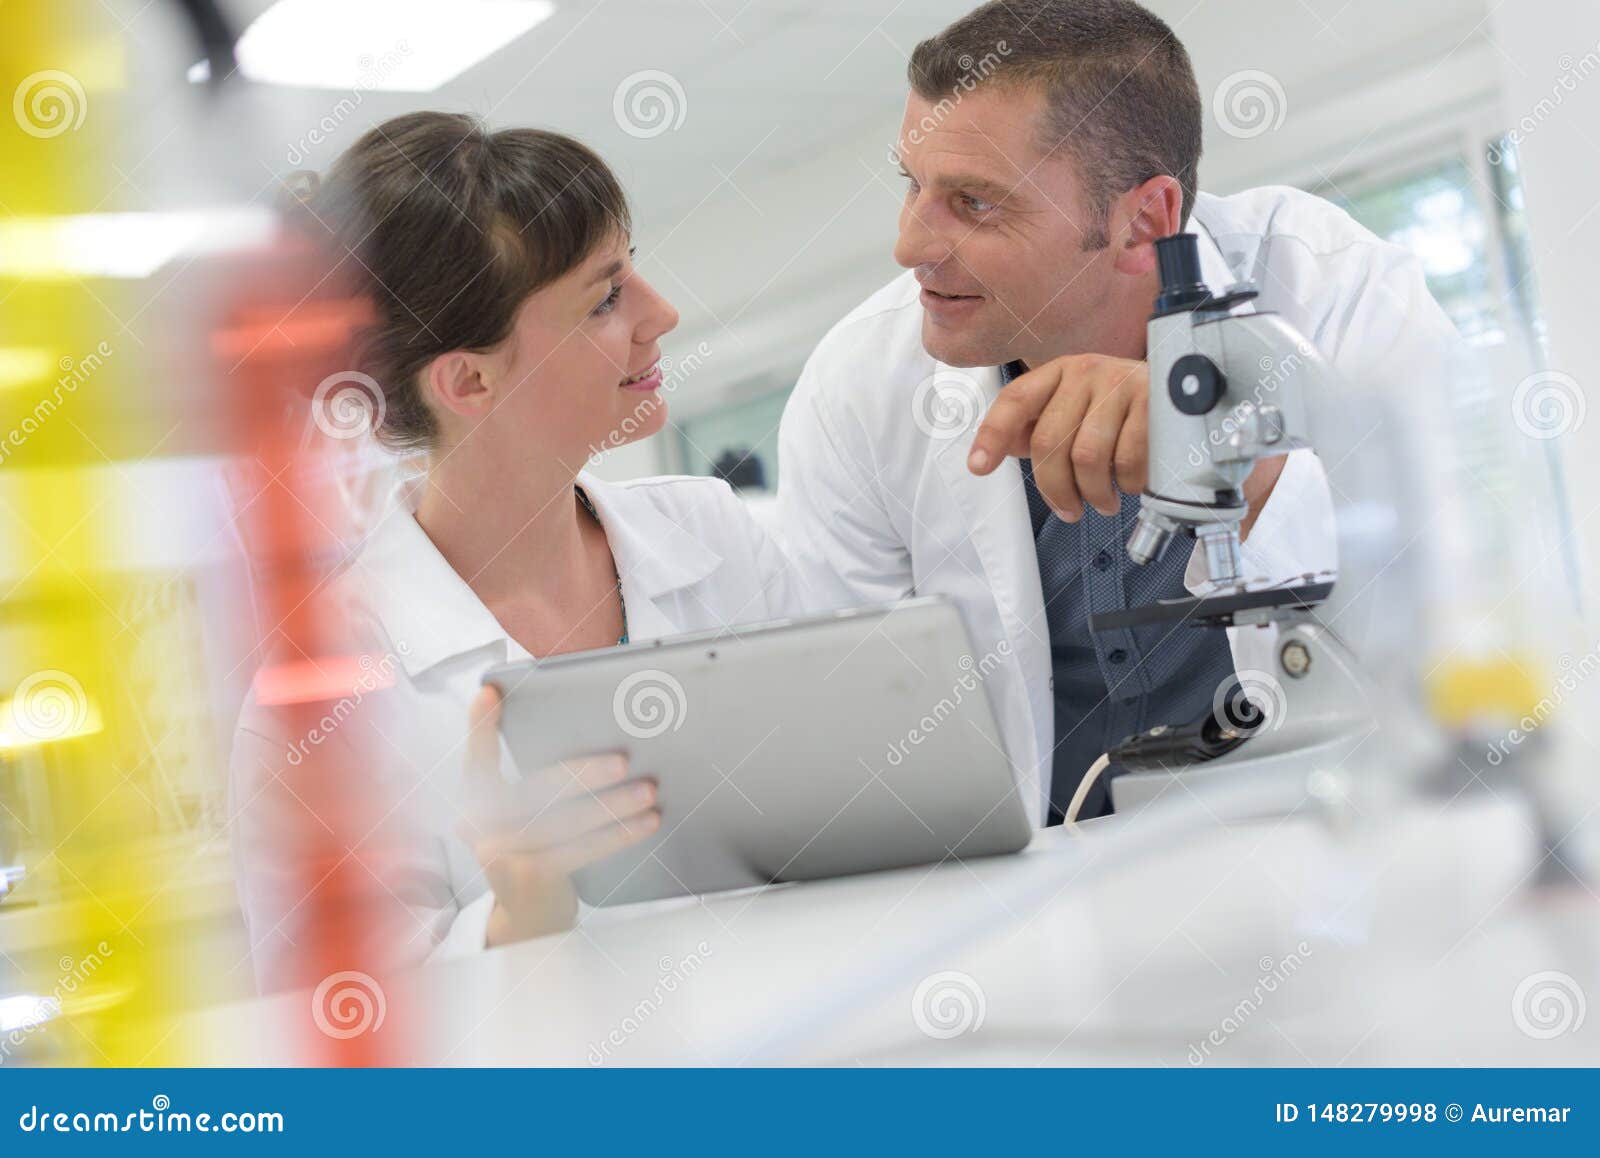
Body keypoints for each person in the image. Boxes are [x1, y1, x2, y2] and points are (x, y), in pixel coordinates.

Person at [773, 0, 1462, 825]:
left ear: (1144, 220)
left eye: (976, 204)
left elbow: (1460, 601)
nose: (910, 245)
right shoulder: (858, 385)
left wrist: (1241, 461)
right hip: (1039, 892)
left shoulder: (1330, 290)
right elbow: (857, 737)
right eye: (912, 186)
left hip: (1345, 834)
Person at [230, 112, 806, 991]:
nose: (662, 314)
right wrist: (514, 924)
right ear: (469, 380)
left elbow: (840, 829)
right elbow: (341, 1024)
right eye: (605, 298)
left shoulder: (712, 537)